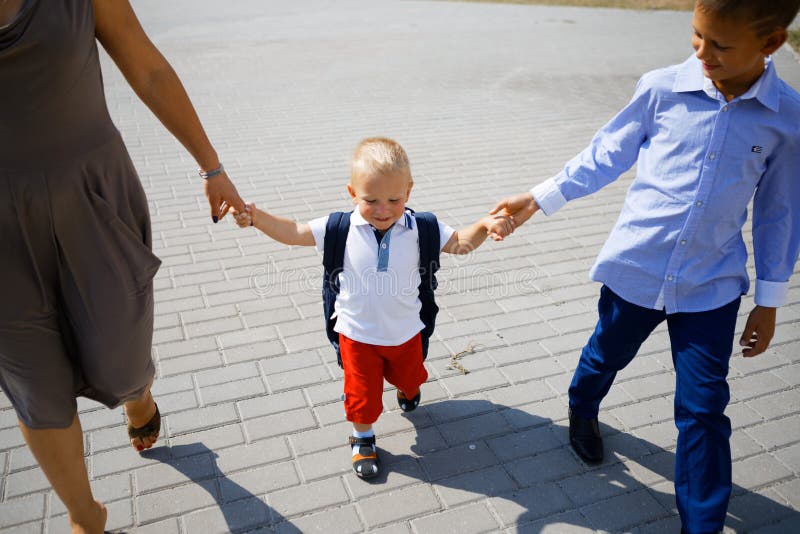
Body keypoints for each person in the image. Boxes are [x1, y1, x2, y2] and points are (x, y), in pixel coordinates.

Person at [490, 1, 800, 532]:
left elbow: (780, 213)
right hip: (637, 267)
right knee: (605, 353)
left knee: (704, 410)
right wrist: (540, 198)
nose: (702, 53)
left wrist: (768, 302)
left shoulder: (787, 118)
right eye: (696, 37)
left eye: (720, 45)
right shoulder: (661, 88)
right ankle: (582, 408)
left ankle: (699, 525)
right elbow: (605, 153)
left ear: (771, 44)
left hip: (712, 286)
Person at [0, 1, 246, 533]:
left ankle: (138, 395)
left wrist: (212, 165)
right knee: (35, 387)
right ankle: (85, 518)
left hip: (92, 198)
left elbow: (146, 64)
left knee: (121, 359)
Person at [232, 137, 513, 479]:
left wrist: (484, 225)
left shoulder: (421, 227)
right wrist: (257, 218)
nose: (383, 210)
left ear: (408, 192)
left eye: (394, 199)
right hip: (357, 334)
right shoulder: (339, 228)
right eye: (370, 200)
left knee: (410, 378)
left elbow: (461, 243)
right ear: (352, 192)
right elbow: (293, 231)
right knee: (361, 394)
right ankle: (363, 437)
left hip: (407, 331)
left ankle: (408, 389)